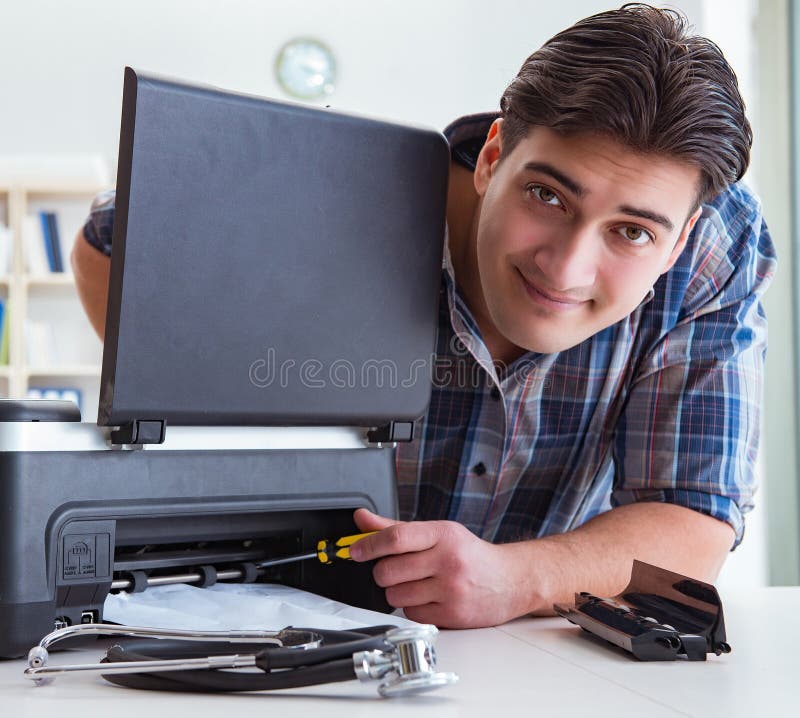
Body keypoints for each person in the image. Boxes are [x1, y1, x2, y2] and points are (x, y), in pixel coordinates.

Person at [73, 4, 776, 629]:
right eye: (547, 196)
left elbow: (691, 523)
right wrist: (205, 397)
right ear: (494, 156)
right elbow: (107, 239)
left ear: (680, 241)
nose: (565, 270)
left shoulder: (715, 251)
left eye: (632, 233)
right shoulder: (343, 187)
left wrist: (517, 579)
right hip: (267, 625)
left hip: (519, 662)